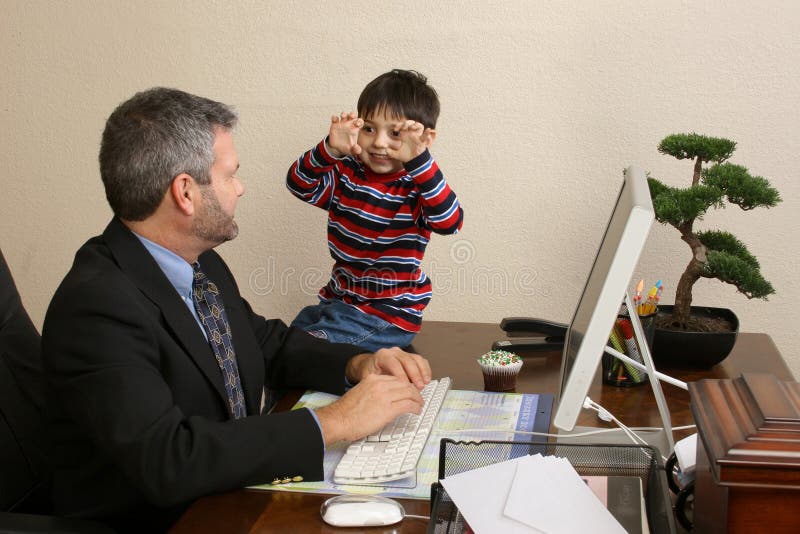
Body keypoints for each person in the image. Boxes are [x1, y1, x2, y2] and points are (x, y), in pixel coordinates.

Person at [41, 87, 432, 533]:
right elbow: (170, 459)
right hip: (169, 522)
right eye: (230, 175)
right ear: (185, 193)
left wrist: (359, 363)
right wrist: (334, 422)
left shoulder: (198, 262)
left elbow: (265, 343)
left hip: (229, 500)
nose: (241, 188)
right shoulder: (97, 307)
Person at [286, 69, 464, 352]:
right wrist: (330, 150)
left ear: (425, 140)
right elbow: (299, 183)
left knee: (305, 351)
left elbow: (450, 221)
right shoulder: (347, 173)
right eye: (369, 129)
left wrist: (420, 162)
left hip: (388, 315)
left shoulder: (417, 188)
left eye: (395, 133)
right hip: (339, 301)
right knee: (285, 343)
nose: (379, 142)